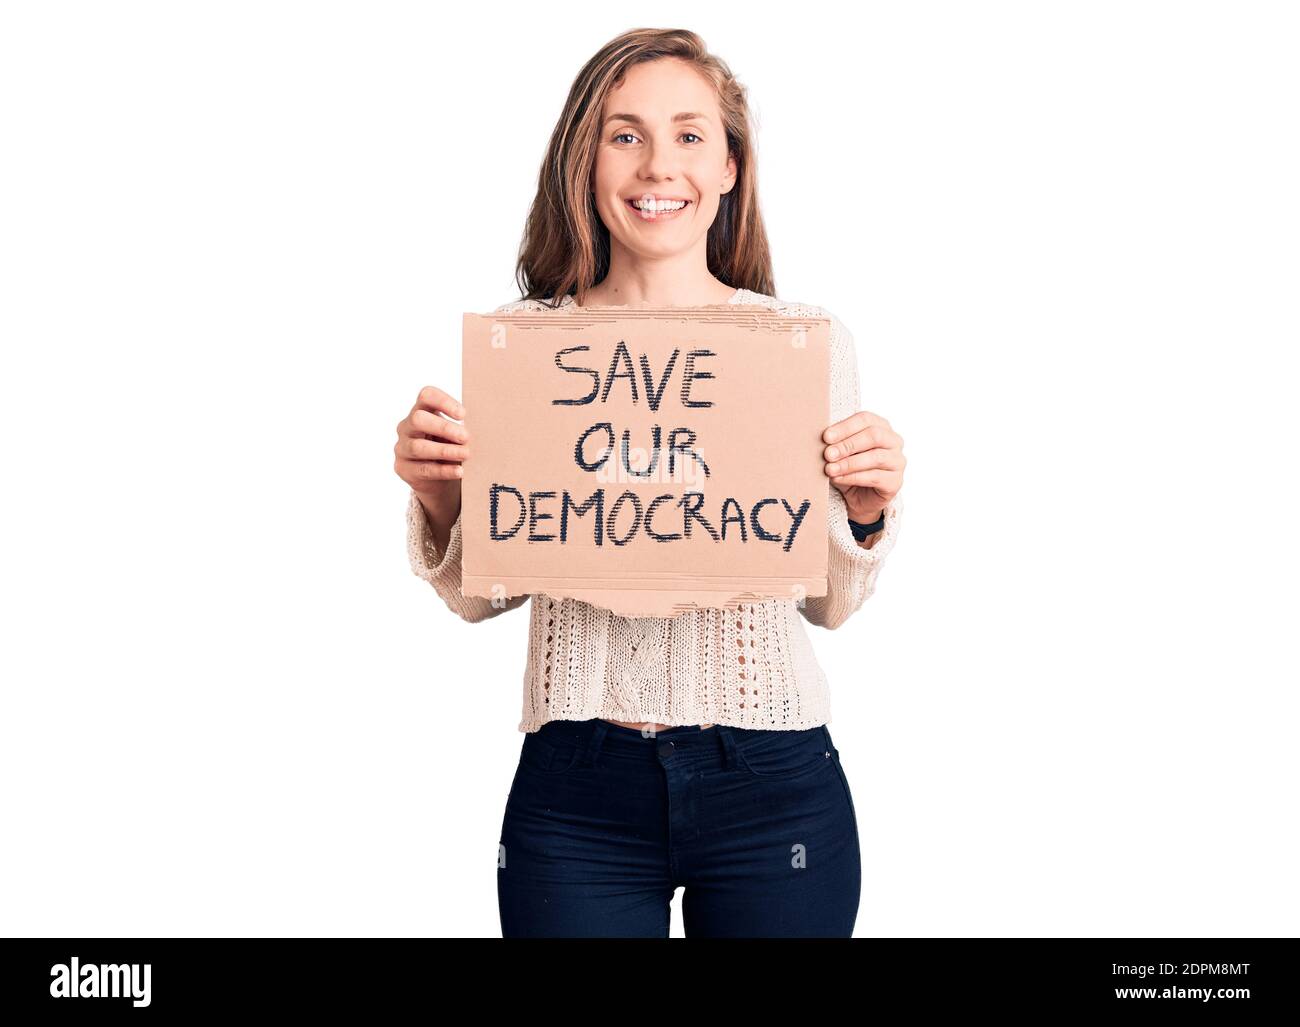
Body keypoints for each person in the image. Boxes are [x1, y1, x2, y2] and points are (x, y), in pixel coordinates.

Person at [392, 28, 906, 937]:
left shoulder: (803, 342)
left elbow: (827, 606)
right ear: (584, 161)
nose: (656, 164)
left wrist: (860, 517)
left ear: (729, 169)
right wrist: (442, 499)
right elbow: (486, 594)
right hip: (577, 791)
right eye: (624, 134)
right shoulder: (528, 345)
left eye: (689, 135)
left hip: (774, 782)